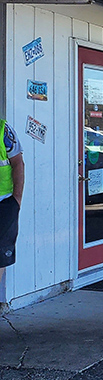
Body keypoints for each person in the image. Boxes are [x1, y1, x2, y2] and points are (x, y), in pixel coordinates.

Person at [0, 119, 24, 286]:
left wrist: (17, 199)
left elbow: (18, 163)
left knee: (0, 255)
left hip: (4, 202)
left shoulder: (3, 129)